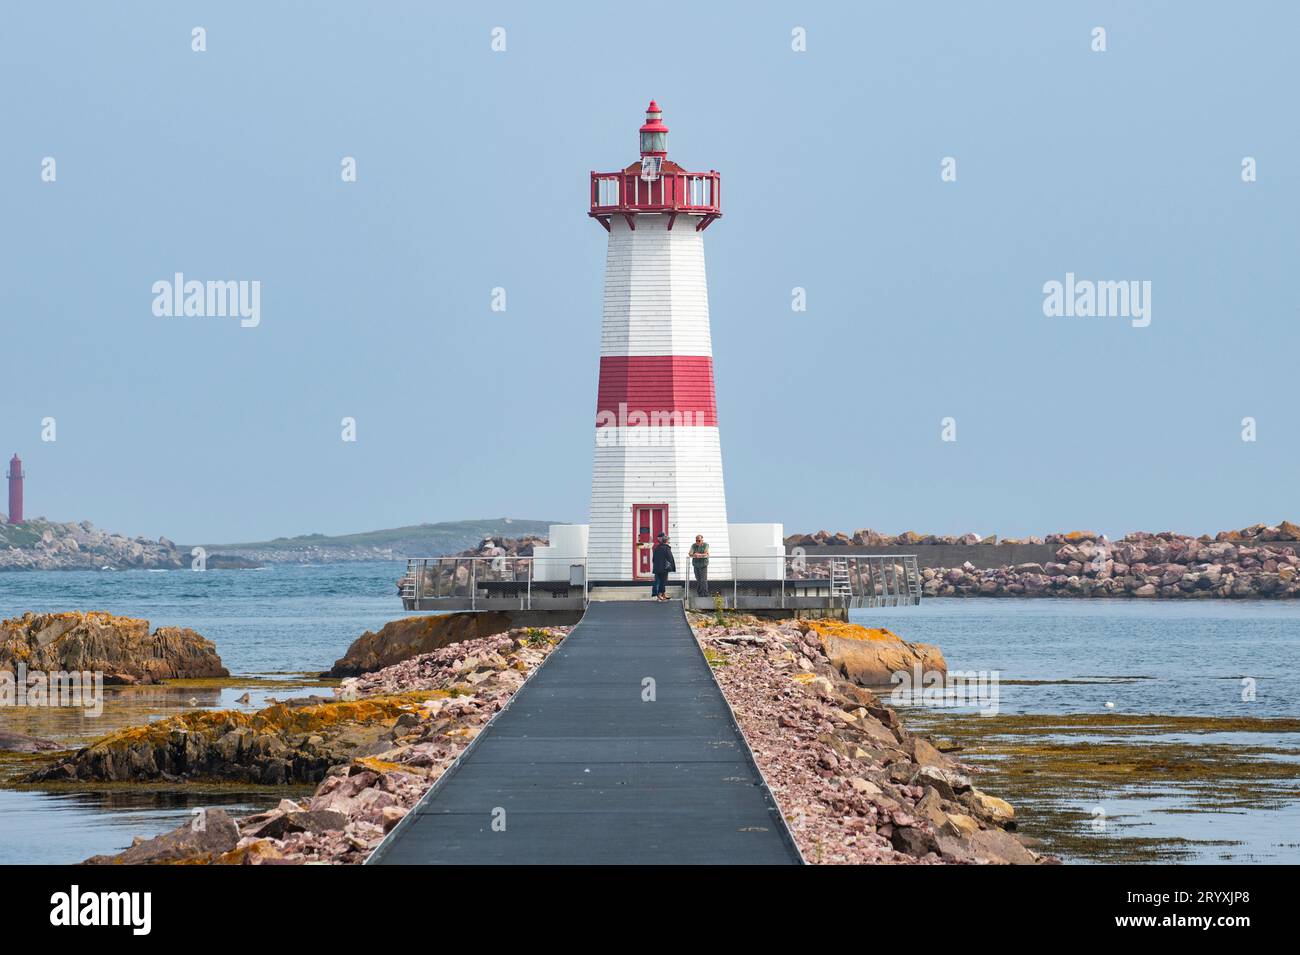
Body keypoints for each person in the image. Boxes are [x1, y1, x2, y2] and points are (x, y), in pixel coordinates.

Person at [651, 533, 675, 601]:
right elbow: (670, 559)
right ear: (666, 541)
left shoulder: (657, 547)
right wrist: (670, 567)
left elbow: (654, 558)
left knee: (660, 581)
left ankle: (663, 594)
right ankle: (659, 595)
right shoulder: (666, 548)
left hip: (657, 567)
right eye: (669, 541)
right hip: (664, 568)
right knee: (662, 581)